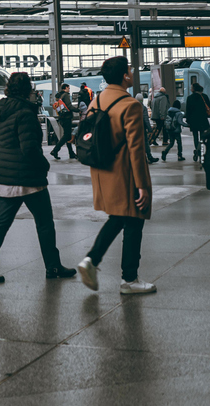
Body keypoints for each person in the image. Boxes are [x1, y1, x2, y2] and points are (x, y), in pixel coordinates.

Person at [0, 72, 77, 284]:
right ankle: (53, 266)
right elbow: (29, 148)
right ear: (28, 89)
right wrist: (44, 165)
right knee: (45, 222)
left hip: (5, 174)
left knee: (0, 223)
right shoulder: (25, 112)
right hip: (29, 177)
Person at [76, 56, 156, 295]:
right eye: (129, 70)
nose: (131, 73)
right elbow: (136, 150)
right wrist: (142, 185)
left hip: (102, 172)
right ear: (124, 75)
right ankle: (129, 279)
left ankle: (91, 260)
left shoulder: (96, 101)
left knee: (118, 218)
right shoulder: (130, 105)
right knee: (134, 221)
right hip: (125, 174)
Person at [186, 82, 210, 163]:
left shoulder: (189, 98)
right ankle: (202, 150)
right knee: (203, 137)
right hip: (203, 120)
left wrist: (188, 121)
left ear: (193, 89)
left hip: (193, 120)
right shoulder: (204, 97)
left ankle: (197, 150)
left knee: (195, 137)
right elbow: (209, 108)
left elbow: (188, 111)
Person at [50, 84, 76, 161]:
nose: (69, 89)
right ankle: (55, 150)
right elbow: (69, 106)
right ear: (65, 88)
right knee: (66, 135)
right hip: (67, 118)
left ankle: (71, 153)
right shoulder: (66, 95)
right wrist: (78, 110)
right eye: (68, 88)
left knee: (67, 136)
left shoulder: (59, 96)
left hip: (62, 118)